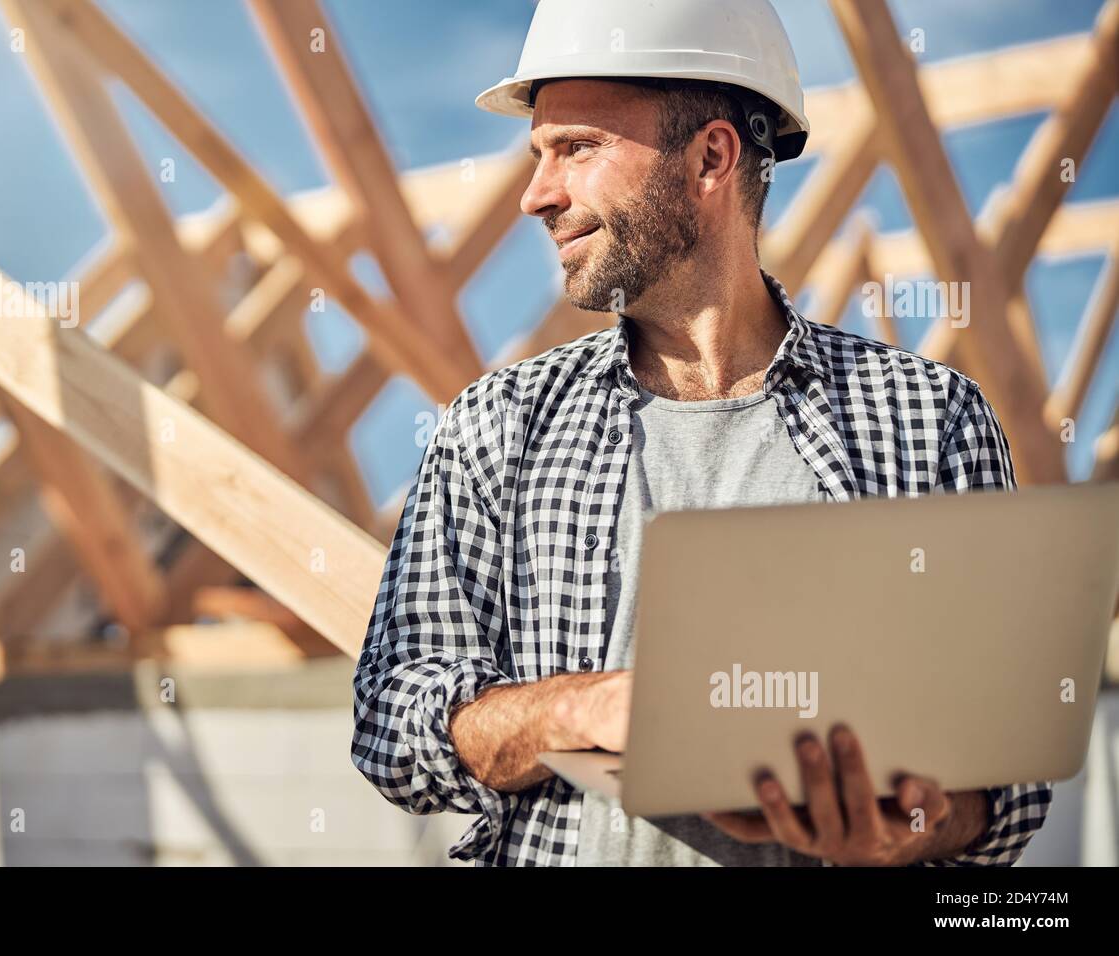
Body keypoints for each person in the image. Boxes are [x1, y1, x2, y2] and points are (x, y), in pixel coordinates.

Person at [351, 0, 1051, 866]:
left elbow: (1006, 786)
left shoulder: (927, 420)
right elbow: (391, 720)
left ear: (712, 156)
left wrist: (908, 826)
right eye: (539, 155)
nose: (536, 195)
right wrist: (578, 711)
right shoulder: (499, 426)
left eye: (576, 147)